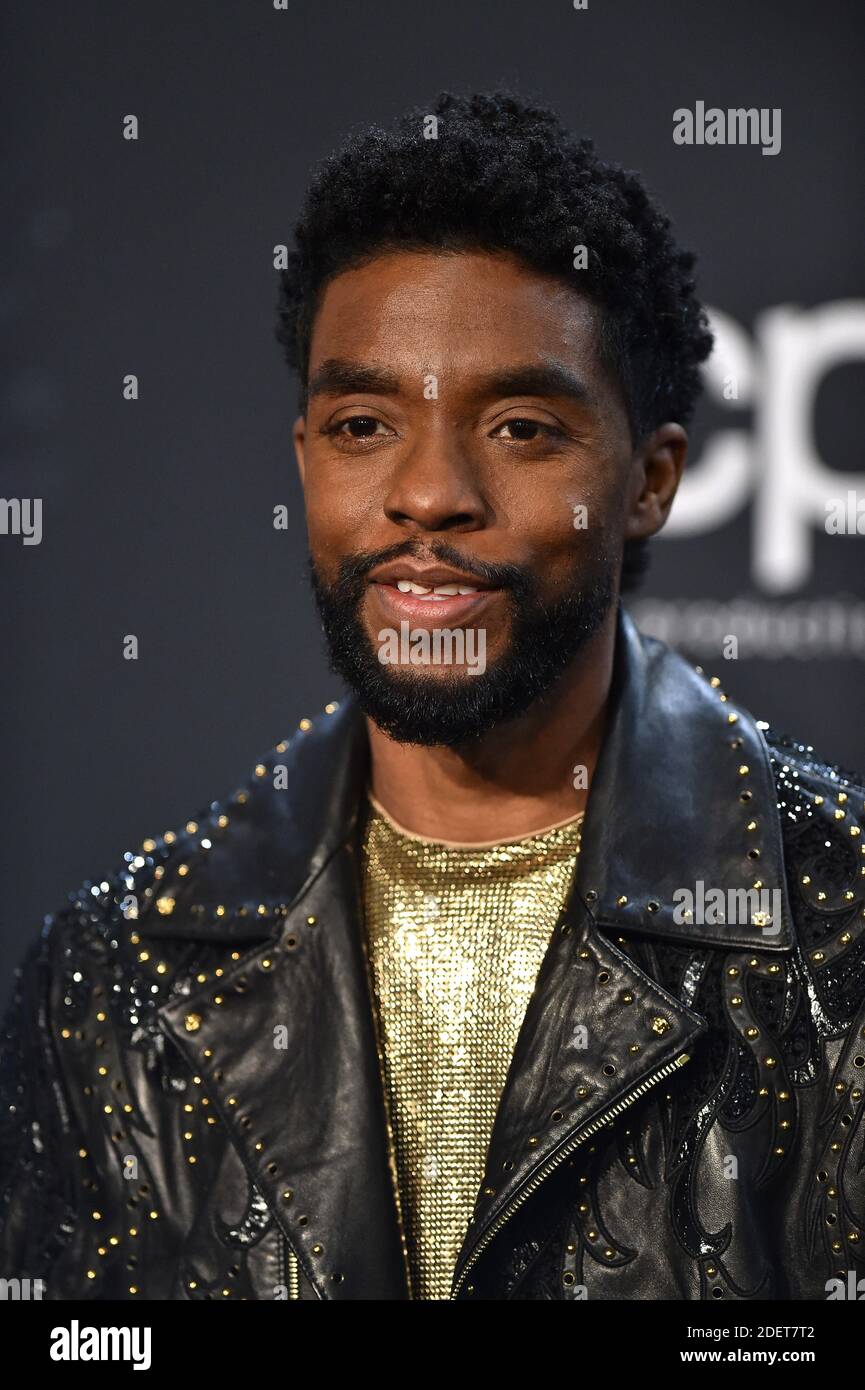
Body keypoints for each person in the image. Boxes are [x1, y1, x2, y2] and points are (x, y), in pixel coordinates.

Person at [2, 91, 863, 1302]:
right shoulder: (115, 971)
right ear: (306, 458)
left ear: (649, 482)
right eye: (363, 423)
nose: (426, 493)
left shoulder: (838, 937)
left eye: (517, 427)